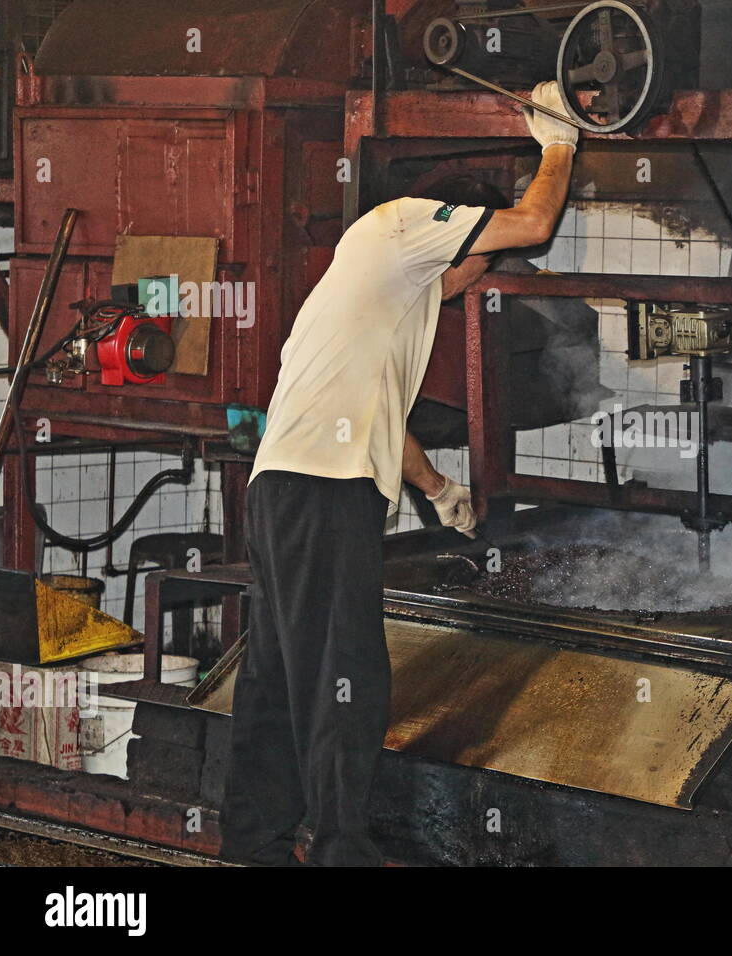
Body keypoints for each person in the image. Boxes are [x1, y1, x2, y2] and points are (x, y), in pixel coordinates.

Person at [220, 82, 579, 866]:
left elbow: (383, 422)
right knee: (345, 677)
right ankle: (343, 849)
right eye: (483, 268)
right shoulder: (402, 226)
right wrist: (560, 143)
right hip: (323, 494)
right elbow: (538, 220)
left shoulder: (391, 298)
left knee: (278, 676)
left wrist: (439, 489)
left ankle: (253, 846)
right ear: (462, 240)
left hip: (283, 486)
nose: (476, 285)